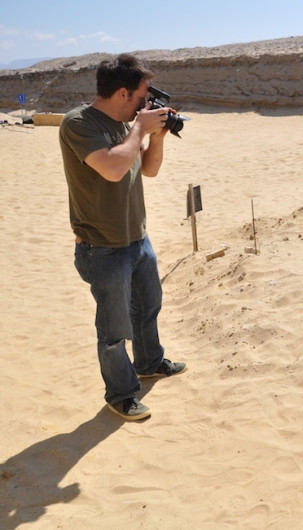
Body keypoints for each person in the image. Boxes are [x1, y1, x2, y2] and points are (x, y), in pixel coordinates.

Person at [59, 53, 186, 421]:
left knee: (148, 308)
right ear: (121, 93)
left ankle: (150, 362)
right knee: (114, 330)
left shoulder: (127, 125)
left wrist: (156, 136)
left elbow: (149, 169)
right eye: (142, 97)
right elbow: (114, 169)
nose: (146, 105)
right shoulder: (78, 123)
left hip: (136, 239)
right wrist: (140, 130)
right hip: (101, 248)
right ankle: (121, 394)